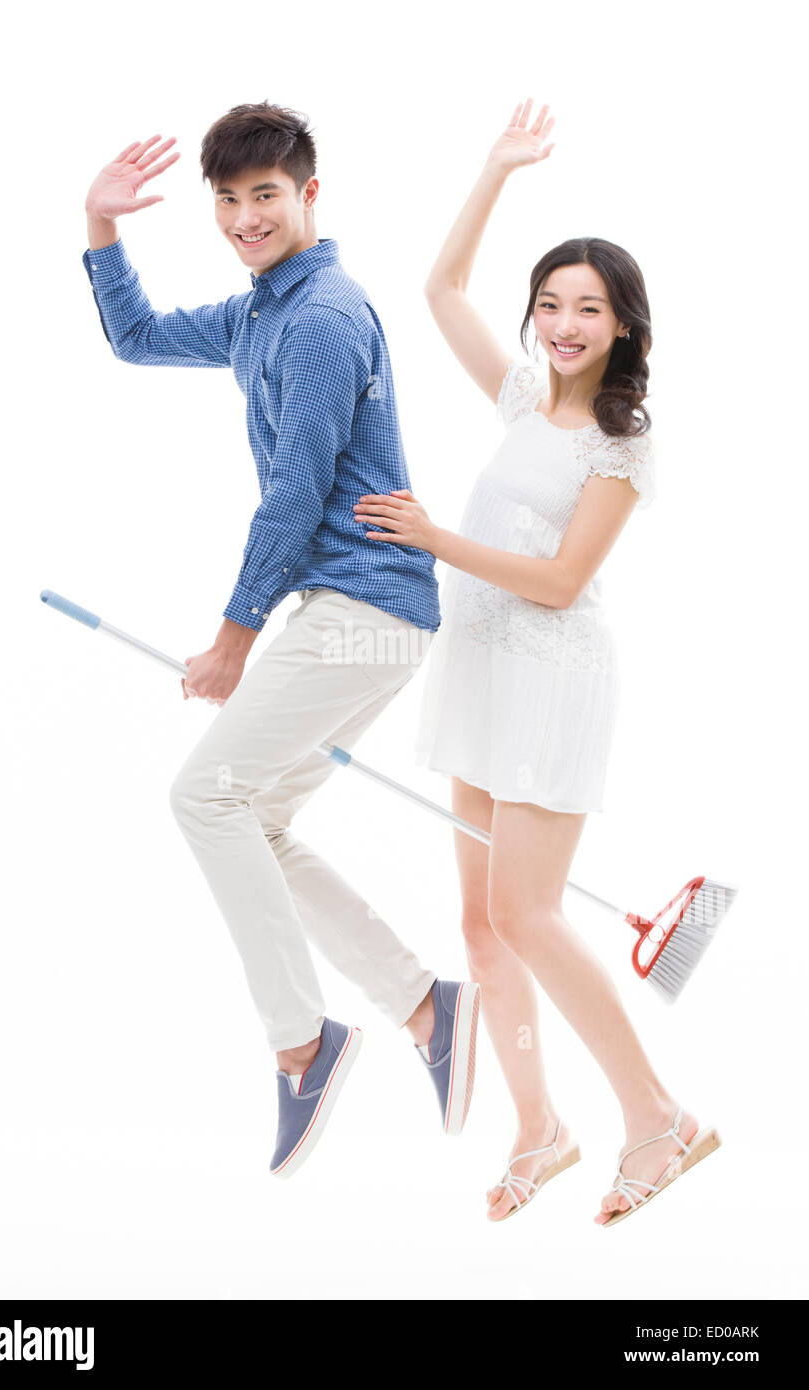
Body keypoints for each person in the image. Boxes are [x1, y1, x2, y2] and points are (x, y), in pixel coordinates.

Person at [81, 102, 480, 1180]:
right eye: (229, 198)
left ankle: (303, 1043)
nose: (246, 215)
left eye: (267, 194)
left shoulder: (319, 318)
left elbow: (297, 493)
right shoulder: (262, 312)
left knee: (203, 798)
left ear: (310, 195)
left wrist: (232, 639)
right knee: (247, 815)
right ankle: (424, 1007)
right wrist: (100, 224)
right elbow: (135, 338)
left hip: (362, 606)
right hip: (365, 614)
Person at [352, 97, 720, 1226]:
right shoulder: (520, 399)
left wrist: (431, 538)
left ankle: (658, 1117)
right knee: (480, 921)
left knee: (528, 912)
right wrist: (494, 168)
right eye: (549, 304)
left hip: (553, 675)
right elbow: (439, 291)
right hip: (480, 668)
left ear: (622, 327)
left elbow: (560, 580)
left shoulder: (621, 440)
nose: (562, 324)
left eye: (587, 309)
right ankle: (538, 1126)